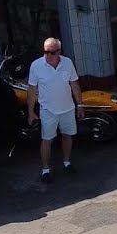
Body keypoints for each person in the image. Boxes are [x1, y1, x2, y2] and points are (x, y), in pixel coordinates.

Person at [26, 37, 83, 184]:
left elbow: (74, 84)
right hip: (48, 110)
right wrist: (31, 112)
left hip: (68, 108)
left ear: (59, 51)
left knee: (67, 136)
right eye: (46, 52)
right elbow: (32, 90)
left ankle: (67, 162)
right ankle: (45, 169)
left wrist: (80, 105)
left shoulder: (67, 63)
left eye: (52, 52)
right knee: (46, 140)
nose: (48, 55)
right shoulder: (36, 65)